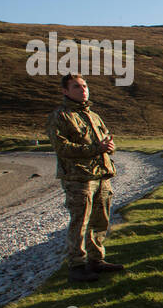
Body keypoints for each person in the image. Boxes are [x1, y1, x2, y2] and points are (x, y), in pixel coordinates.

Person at [46, 73, 122, 283]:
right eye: (77, 87)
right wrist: (96, 148)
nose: (83, 90)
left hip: (101, 175)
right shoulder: (60, 116)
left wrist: (109, 148)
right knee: (80, 221)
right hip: (79, 178)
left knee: (100, 220)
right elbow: (62, 148)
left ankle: (96, 260)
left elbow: (106, 139)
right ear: (65, 91)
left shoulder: (94, 116)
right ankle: (77, 265)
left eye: (84, 86)